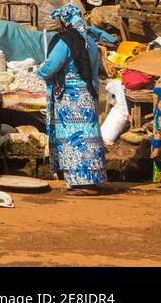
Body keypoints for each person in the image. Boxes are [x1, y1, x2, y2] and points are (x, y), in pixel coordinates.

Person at [38, 11, 108, 196]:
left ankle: (80, 183)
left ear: (64, 22)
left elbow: (51, 65)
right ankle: (92, 180)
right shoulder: (90, 42)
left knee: (74, 140)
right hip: (88, 94)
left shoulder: (66, 41)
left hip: (71, 98)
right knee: (89, 137)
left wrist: (39, 73)